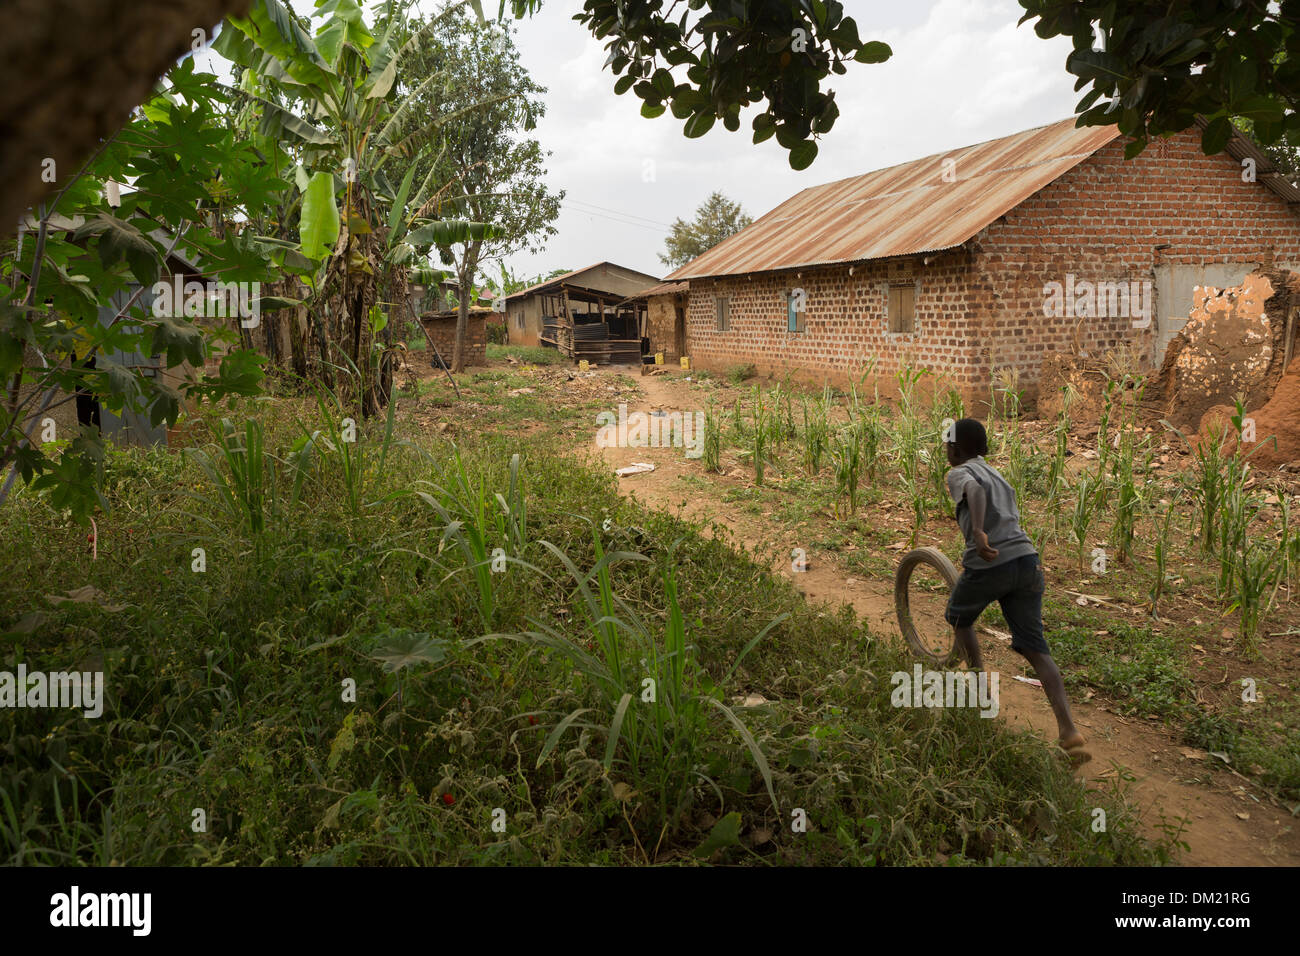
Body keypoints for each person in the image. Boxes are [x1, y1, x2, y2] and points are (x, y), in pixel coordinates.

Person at [943, 417, 1089, 764]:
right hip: (1027, 562)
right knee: (1035, 647)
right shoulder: (999, 475)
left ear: (955, 450)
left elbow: (974, 493)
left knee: (958, 617)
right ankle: (1070, 732)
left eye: (948, 446)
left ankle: (978, 685)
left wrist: (978, 532)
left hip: (989, 563)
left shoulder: (959, 473)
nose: (946, 451)